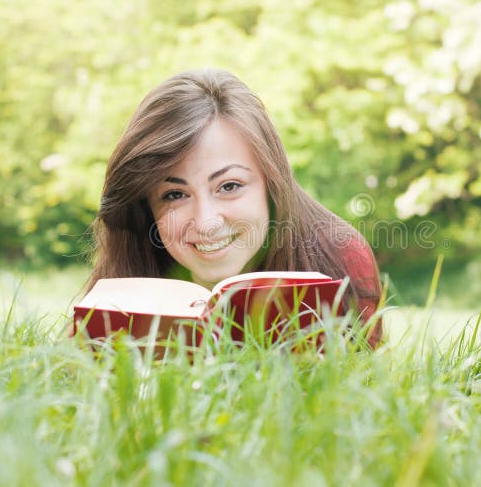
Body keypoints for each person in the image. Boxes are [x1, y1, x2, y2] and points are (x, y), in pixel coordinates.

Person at [88, 68, 382, 347]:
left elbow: (363, 383)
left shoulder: (340, 258)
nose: (206, 223)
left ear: (272, 182)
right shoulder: (126, 274)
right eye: (175, 194)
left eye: (229, 186)